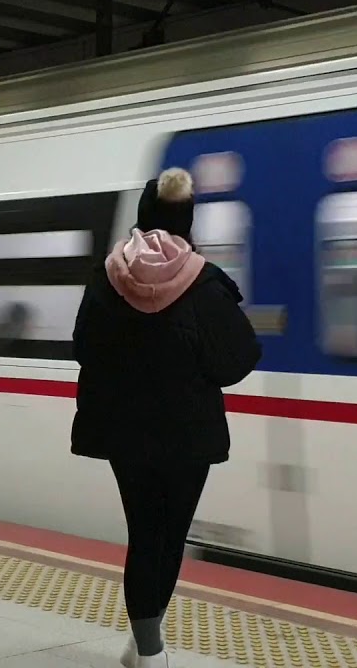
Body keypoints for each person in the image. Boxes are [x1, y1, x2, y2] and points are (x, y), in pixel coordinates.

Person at [71, 168, 262, 668]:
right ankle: (151, 651)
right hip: (187, 435)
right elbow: (238, 359)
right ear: (187, 220)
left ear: (142, 215)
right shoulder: (205, 284)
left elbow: (83, 347)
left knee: (143, 533)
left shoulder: (106, 278)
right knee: (170, 537)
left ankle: (143, 643)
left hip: (124, 432)